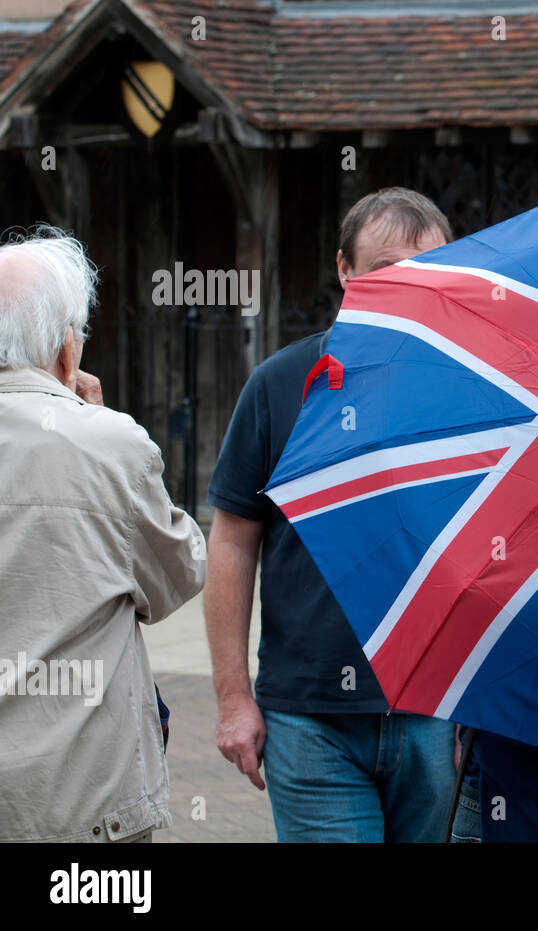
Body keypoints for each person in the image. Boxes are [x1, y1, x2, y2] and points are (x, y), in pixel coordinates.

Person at [205, 188, 463, 842]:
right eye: (384, 268)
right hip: (309, 715)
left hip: (437, 711)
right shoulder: (280, 385)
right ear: (345, 270)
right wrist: (234, 698)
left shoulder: (467, 394)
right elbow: (232, 542)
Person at [0, 228, 206, 842]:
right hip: (83, 801)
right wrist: (97, 419)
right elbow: (175, 577)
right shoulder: (108, 444)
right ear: (67, 346)